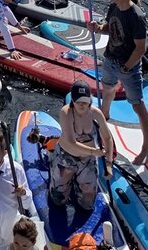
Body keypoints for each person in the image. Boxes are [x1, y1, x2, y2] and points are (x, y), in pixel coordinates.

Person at [91, 0, 148, 166]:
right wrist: (98, 28)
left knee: (137, 105)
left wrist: (127, 66)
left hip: (129, 66)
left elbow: (141, 48)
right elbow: (110, 28)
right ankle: (104, 117)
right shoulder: (113, 7)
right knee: (107, 88)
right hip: (110, 58)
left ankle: (146, 148)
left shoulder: (136, 16)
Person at [48, 81, 114, 211]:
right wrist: (94, 151)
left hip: (87, 160)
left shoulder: (96, 113)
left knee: (88, 202)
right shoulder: (65, 112)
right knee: (58, 199)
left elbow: (107, 137)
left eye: (85, 101)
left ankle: (79, 191)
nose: (82, 105)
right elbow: (71, 141)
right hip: (65, 156)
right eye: (79, 102)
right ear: (72, 100)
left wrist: (109, 163)